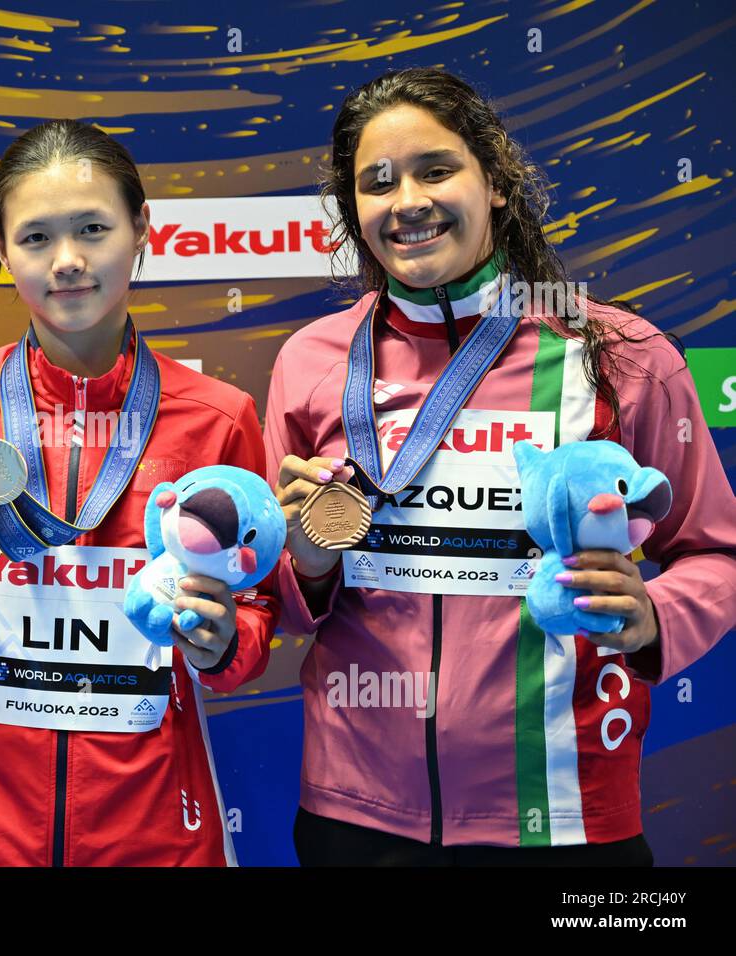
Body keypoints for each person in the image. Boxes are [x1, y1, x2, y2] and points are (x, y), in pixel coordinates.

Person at [265, 67, 736, 865]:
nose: (407, 200)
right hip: (355, 812)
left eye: (436, 169)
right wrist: (302, 565)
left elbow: (715, 553)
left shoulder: (619, 355)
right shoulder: (310, 361)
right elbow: (275, 594)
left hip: (567, 812)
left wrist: (656, 615)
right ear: (355, 215)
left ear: (499, 186)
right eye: (376, 184)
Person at [0, 119, 280, 866]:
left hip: (159, 834)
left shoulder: (220, 418)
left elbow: (254, 623)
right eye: (35, 239)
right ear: (1, 251)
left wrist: (222, 637)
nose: (66, 261)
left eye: (93, 229)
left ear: (142, 233)